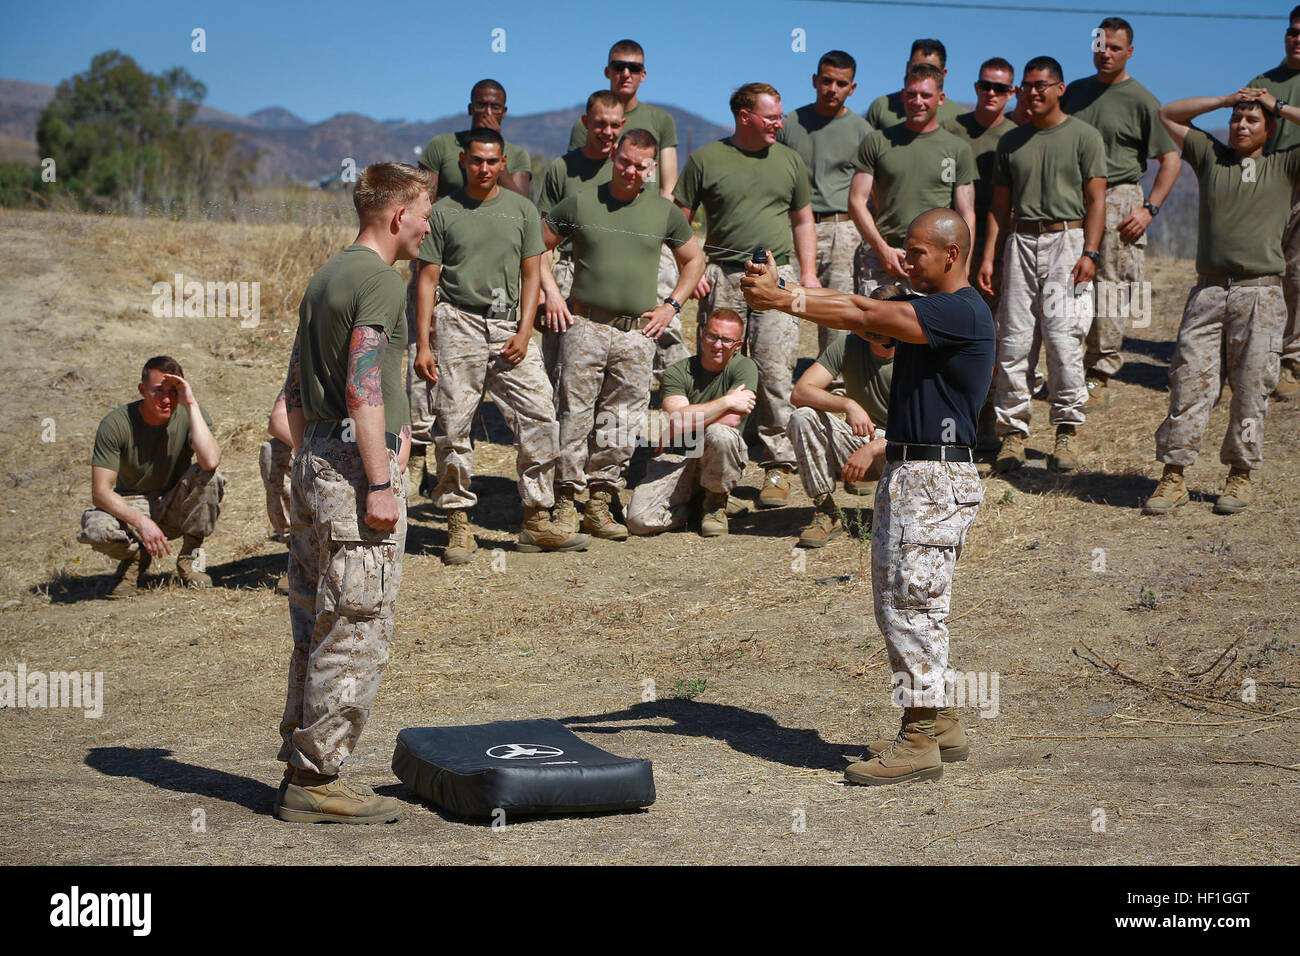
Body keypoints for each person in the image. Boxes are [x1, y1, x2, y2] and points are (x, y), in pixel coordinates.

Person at [742, 208, 994, 787]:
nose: (906, 260)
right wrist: (786, 288)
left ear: (952, 255)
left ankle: (920, 738)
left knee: (914, 607)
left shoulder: (958, 310)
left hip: (932, 478)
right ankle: (939, 719)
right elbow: (861, 315)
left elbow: (861, 311)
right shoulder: (929, 309)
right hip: (910, 473)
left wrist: (785, 302)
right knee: (895, 603)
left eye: (918, 252)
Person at [274, 161, 427, 824]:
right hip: (351, 472)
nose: (427, 225)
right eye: (423, 213)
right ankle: (318, 779)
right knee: (356, 628)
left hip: (315, 461)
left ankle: (303, 764)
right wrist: (375, 481)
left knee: (316, 625)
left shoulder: (326, 276)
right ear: (398, 215)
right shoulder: (380, 282)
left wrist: (312, 456)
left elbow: (291, 397)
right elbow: (364, 387)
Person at [413, 129, 589, 564]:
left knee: (540, 417)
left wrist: (525, 331)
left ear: (503, 162)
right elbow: (426, 279)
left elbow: (533, 274)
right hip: (457, 322)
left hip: (509, 325)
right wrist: (422, 344)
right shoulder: (443, 212)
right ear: (463, 161)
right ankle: (457, 524)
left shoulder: (522, 210)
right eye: (476, 161)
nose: (484, 169)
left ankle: (535, 518)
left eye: (492, 161)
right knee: (453, 425)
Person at [1143, 89, 1300, 516]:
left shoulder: (1284, 165)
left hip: (1261, 293)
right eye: (1236, 119)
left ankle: (1240, 476)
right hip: (1209, 292)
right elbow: (1168, 112)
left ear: (1269, 129)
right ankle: (1173, 477)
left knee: (1252, 388)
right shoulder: (1212, 157)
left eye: (1252, 120)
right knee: (1190, 382)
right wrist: (1227, 99)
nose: (1242, 126)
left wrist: (1276, 106)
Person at [543, 129, 705, 540]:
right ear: (614, 157)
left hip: (636, 334)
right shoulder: (581, 201)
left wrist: (671, 306)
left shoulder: (663, 212)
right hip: (585, 327)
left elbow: (694, 261)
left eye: (641, 166)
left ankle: (599, 502)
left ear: (652, 168)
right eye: (625, 162)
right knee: (574, 417)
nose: (631, 171)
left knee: (621, 420)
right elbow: (537, 247)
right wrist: (552, 295)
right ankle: (565, 501)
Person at [674, 82, 817, 510]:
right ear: (744, 116)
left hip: (775, 277)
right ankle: (714, 470)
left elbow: (804, 220)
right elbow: (678, 221)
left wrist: (806, 274)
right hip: (721, 277)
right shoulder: (706, 159)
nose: (779, 123)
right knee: (720, 369)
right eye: (771, 116)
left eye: (780, 115)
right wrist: (691, 268)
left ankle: (779, 466)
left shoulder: (790, 160)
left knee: (775, 371)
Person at [979, 56, 1106, 474]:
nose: (1033, 92)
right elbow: (998, 208)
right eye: (1027, 86)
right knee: (1013, 338)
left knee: (1063, 338)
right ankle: (1012, 434)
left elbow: (1096, 200)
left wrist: (1090, 251)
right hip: (1020, 238)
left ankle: (1066, 430)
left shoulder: (1085, 136)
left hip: (1066, 239)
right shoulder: (1011, 142)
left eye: (1042, 85)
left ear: (1060, 88)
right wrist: (989, 257)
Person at [406, 79, 533, 492]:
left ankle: (540, 507)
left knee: (536, 412)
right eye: (482, 105)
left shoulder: (514, 169)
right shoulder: (441, 147)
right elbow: (422, 199)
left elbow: (520, 208)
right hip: (447, 289)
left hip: (501, 313)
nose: (488, 112)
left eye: (496, 107)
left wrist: (499, 170)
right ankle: (416, 458)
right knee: (431, 382)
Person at [1063, 17, 1181, 409]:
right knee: (1068, 280)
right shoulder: (1074, 93)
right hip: (1073, 196)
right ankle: (1069, 363)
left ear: (1129, 52)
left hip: (1119, 196)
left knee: (1111, 285)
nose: (1106, 53)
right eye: (1100, 45)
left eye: (1115, 47)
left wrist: (1149, 208)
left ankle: (1102, 367)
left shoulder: (1142, 100)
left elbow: (1170, 159)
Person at [567, 39, 689, 376]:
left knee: (664, 319)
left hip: (649, 229)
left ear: (644, 74)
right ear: (607, 71)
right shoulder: (594, 117)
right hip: (600, 227)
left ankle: (675, 393)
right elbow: (583, 174)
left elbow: (668, 185)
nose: (625, 73)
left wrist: (667, 241)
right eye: (619, 66)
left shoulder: (660, 120)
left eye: (633, 68)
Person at [78, 355, 224, 594]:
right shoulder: (115, 424)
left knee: (210, 476)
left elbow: (210, 461)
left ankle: (189, 557)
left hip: (173, 502)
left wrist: (191, 404)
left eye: (173, 391)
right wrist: (142, 523)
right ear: (142, 390)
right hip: (131, 505)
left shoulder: (191, 415)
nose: (166, 399)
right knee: (97, 531)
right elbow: (100, 493)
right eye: (158, 391)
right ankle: (135, 559)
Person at [788, 284, 905, 548]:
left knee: (897, 530)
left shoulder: (916, 352)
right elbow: (800, 392)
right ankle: (826, 511)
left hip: (903, 447)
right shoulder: (851, 343)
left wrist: (875, 447)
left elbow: (924, 430)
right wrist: (848, 404)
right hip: (861, 436)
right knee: (803, 416)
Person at [626, 309, 758, 537]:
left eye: (726, 340)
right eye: (712, 336)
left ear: (738, 345)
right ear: (702, 335)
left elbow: (731, 420)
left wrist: (685, 422)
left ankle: (715, 504)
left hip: (714, 455)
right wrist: (727, 401)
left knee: (721, 434)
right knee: (638, 522)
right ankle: (696, 508)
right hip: (677, 457)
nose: (717, 345)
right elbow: (678, 418)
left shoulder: (744, 367)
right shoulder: (677, 372)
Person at [849, 63, 976, 299]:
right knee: (874, 333)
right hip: (884, 258)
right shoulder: (877, 142)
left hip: (937, 261)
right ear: (903, 96)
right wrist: (882, 250)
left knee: (928, 334)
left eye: (926, 95)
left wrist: (962, 266)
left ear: (940, 98)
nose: (918, 101)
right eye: (911, 94)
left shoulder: (958, 149)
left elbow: (966, 211)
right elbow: (856, 200)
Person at [777, 50, 872, 354]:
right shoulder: (789, 124)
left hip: (841, 230)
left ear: (852, 88)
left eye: (841, 83)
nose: (832, 89)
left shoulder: (863, 132)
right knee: (783, 308)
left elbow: (872, 191)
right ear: (815, 80)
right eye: (826, 80)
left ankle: (834, 388)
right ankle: (781, 385)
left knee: (837, 313)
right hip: (792, 229)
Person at [944, 56, 1016, 452]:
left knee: (995, 336)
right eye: (985, 85)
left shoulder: (1018, 134)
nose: (991, 93)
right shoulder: (951, 130)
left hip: (1004, 245)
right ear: (975, 87)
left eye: (1000, 88)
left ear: (1012, 92)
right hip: (954, 248)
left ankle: (990, 421)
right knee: (952, 333)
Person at [537, 90, 625, 381]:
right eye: (600, 123)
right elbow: (540, 243)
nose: (607, 132)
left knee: (611, 370)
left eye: (614, 125)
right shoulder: (562, 169)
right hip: (570, 276)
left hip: (617, 278)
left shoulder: (629, 171)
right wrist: (546, 293)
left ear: (622, 125)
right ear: (586, 122)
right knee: (562, 368)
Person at [1249, 5, 1300, 400]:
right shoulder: (1263, 81)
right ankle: (1255, 352)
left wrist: (1278, 106)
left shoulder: (1273, 95)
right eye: (1293, 31)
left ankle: (1291, 360)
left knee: (1297, 276)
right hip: (1267, 189)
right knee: (1263, 273)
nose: (1297, 38)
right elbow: (1246, 130)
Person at [864, 39, 964, 130]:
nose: (921, 76)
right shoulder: (881, 107)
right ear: (907, 67)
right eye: (916, 68)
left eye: (930, 71)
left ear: (943, 74)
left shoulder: (957, 117)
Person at [259, 389, 293, 595]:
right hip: (319, 448)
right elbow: (276, 421)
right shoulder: (306, 366)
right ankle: (300, 553)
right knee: (273, 452)